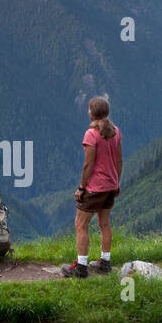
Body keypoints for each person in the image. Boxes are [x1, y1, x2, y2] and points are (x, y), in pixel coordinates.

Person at [62, 96, 121, 278]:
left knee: (81, 224)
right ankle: (105, 262)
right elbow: (119, 159)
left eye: (89, 110)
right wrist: (116, 181)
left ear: (92, 113)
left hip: (95, 187)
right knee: (104, 223)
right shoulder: (116, 132)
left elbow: (89, 164)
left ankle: (81, 268)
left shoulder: (91, 134)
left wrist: (81, 187)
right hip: (111, 185)